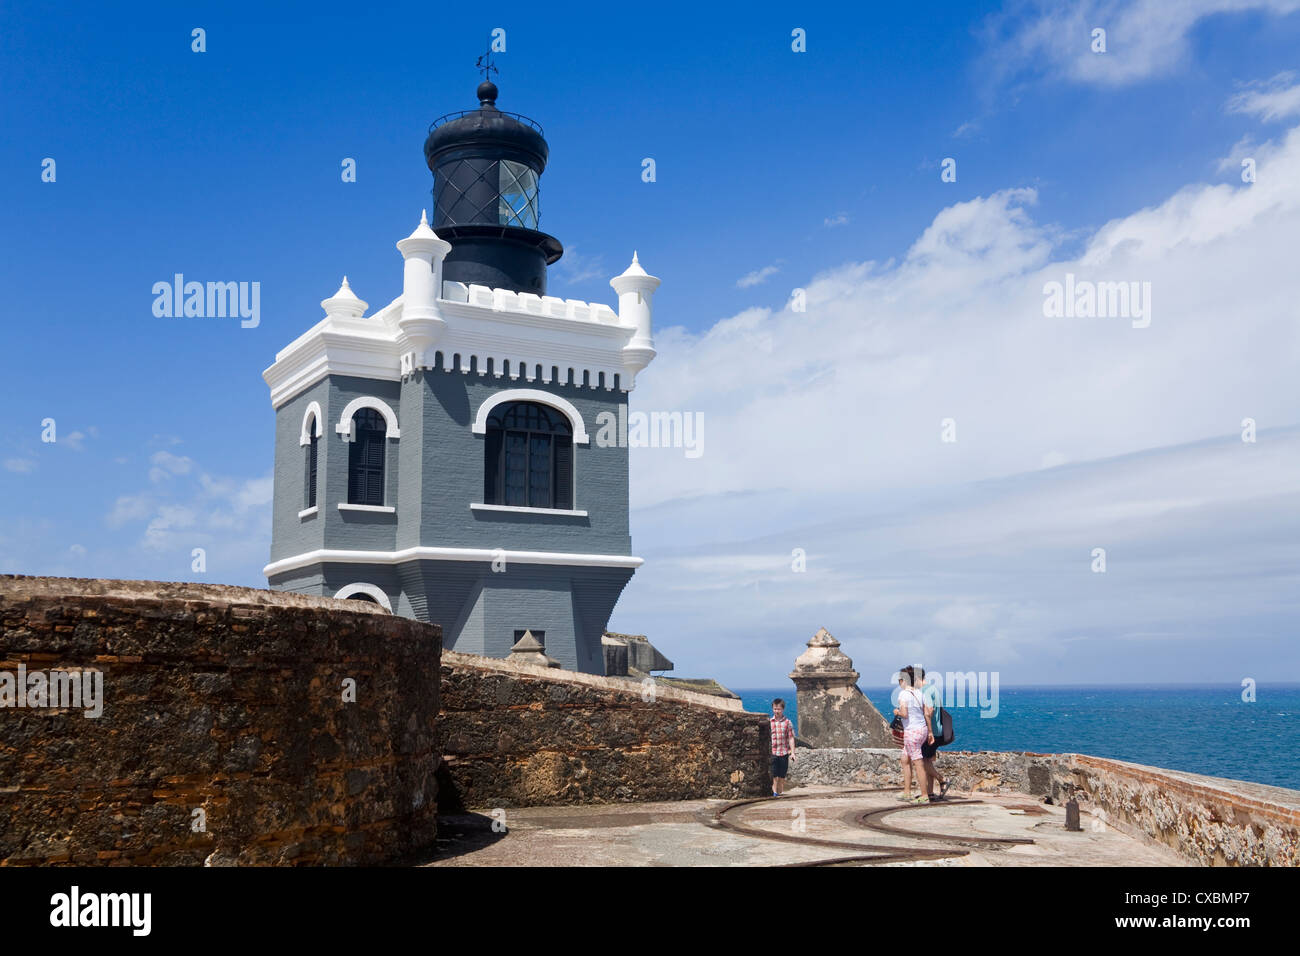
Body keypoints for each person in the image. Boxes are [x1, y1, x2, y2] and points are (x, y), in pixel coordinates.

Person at [892, 666, 930, 803]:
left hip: (911, 731)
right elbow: (927, 713)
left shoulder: (903, 694)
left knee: (917, 762)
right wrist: (930, 732)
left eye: (899, 680)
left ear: (904, 681)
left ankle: (924, 795)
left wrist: (897, 712)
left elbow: (904, 714)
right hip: (922, 729)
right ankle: (907, 792)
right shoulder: (920, 693)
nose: (899, 683)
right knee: (905, 759)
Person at [917, 667, 950, 801]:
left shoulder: (924, 691)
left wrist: (927, 729)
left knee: (922, 761)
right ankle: (930, 792)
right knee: (928, 760)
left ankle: (942, 780)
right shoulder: (933, 688)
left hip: (930, 731)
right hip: (938, 729)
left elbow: (929, 711)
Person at [769, 698, 796, 797]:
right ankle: (774, 793)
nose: (777, 711)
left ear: (783, 709)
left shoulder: (787, 722)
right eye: (775, 709)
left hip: (784, 752)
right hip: (773, 752)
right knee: (774, 775)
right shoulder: (769, 722)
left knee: (782, 775)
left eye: (779, 709)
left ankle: (779, 791)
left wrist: (793, 752)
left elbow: (791, 738)